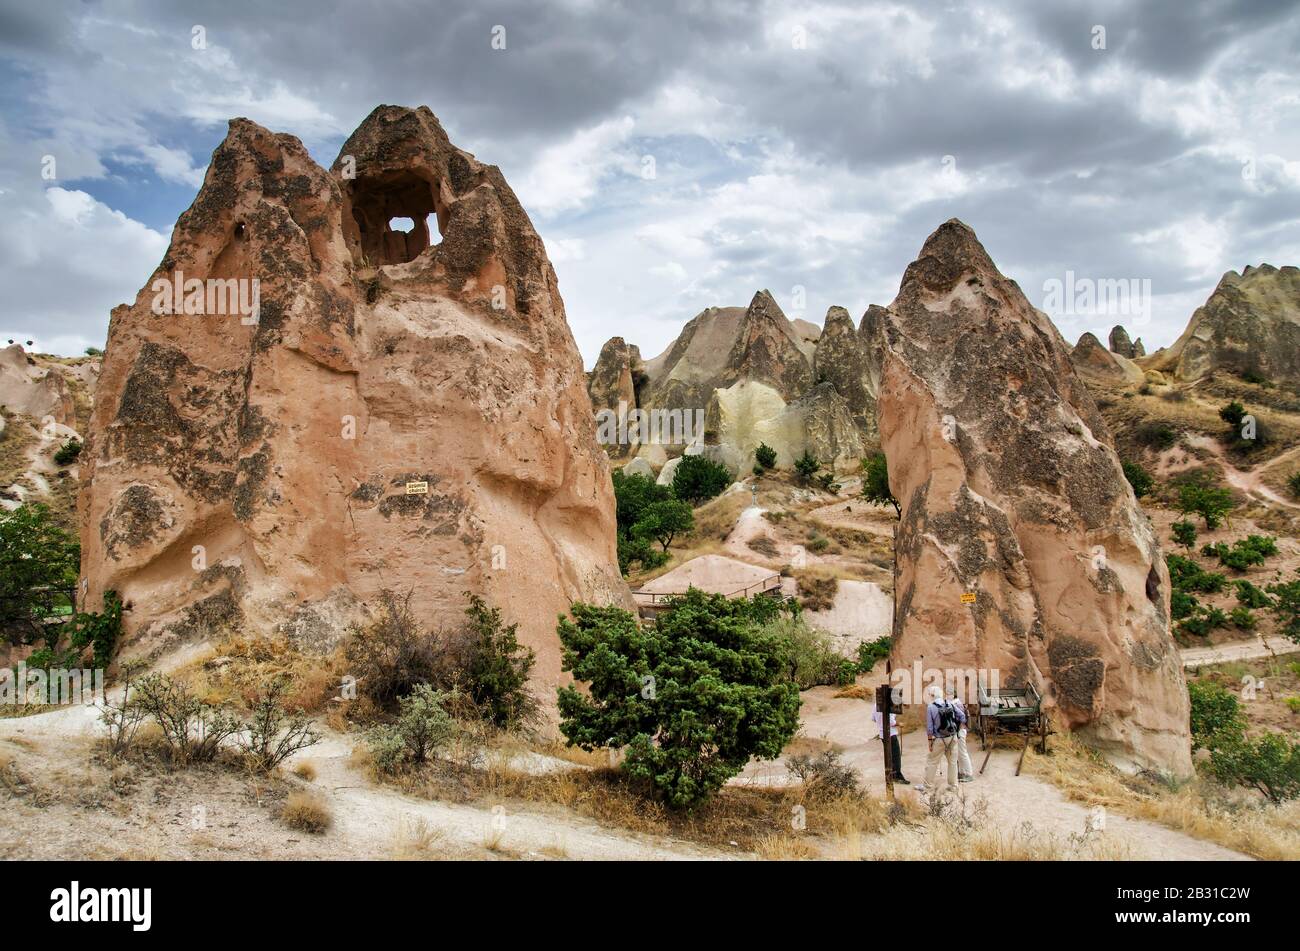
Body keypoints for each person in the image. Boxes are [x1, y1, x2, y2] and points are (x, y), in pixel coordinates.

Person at [922, 684, 967, 794]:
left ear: (932, 695)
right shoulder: (950, 703)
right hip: (952, 737)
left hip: (939, 739)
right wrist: (958, 730)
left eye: (930, 695)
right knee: (952, 762)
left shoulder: (931, 707)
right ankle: (953, 786)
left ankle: (928, 787)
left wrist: (929, 741)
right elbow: (962, 716)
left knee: (932, 762)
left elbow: (930, 727)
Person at [872, 704, 909, 785]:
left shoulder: (875, 705)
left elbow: (873, 718)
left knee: (889, 755)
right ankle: (897, 776)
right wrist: (899, 724)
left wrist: (880, 722)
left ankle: (891, 775)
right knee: (896, 756)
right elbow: (891, 722)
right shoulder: (888, 705)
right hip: (891, 734)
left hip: (882, 734)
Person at [950, 687, 974, 783]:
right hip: (960, 731)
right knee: (959, 753)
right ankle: (961, 772)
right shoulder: (958, 703)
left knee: (962, 753)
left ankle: (968, 774)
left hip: (959, 732)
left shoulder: (955, 704)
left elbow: (960, 719)